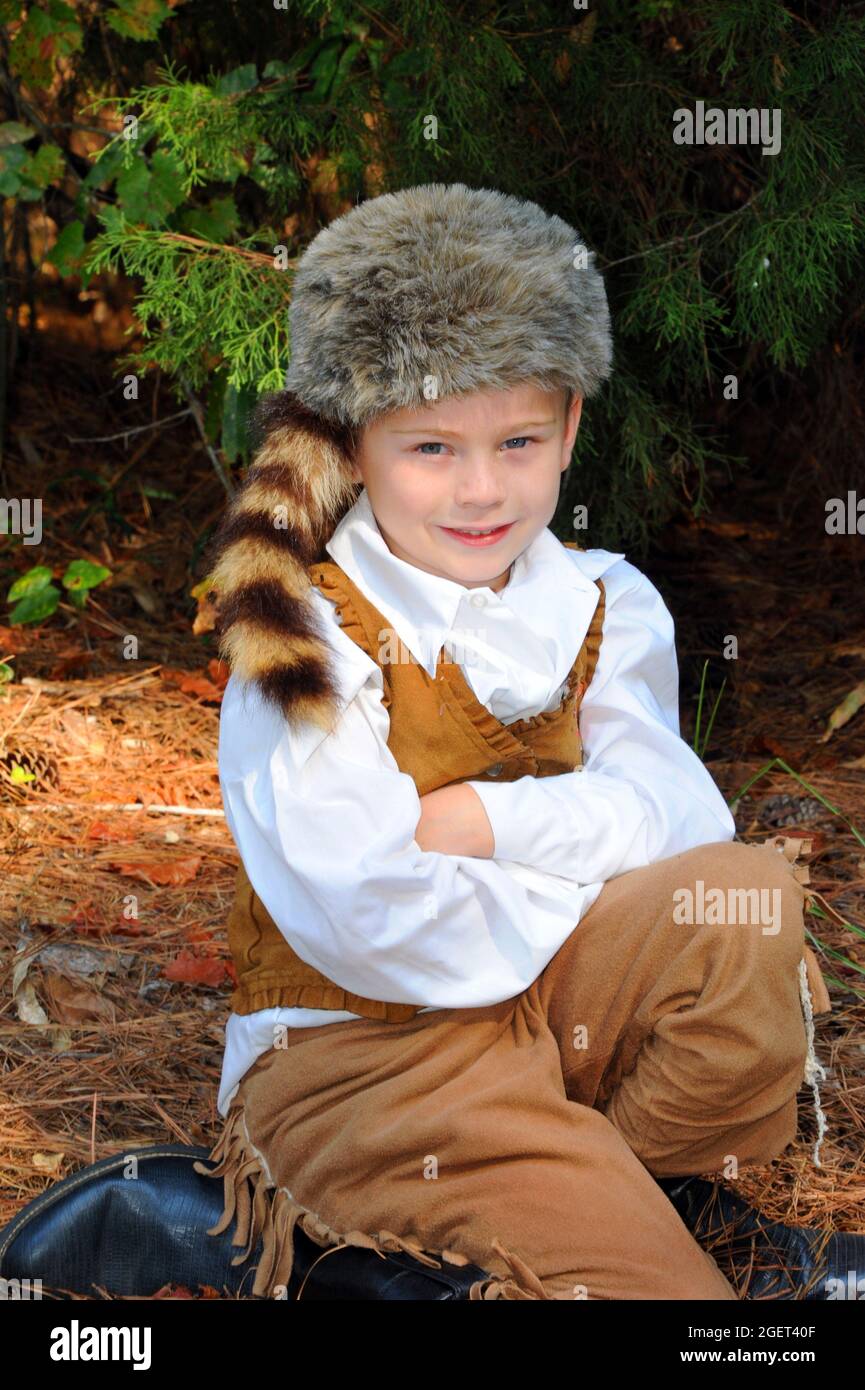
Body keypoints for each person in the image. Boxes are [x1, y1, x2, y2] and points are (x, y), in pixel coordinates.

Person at [197, 182, 833, 1300]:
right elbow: (366, 908)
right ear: (352, 443)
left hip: (538, 1015)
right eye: (431, 445)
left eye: (519, 440)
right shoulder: (306, 632)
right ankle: (302, 1239)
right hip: (364, 1054)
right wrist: (579, 870)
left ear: (570, 429)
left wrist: (481, 821)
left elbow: (681, 817)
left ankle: (618, 1188)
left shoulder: (603, 599)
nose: (482, 489)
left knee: (741, 901)